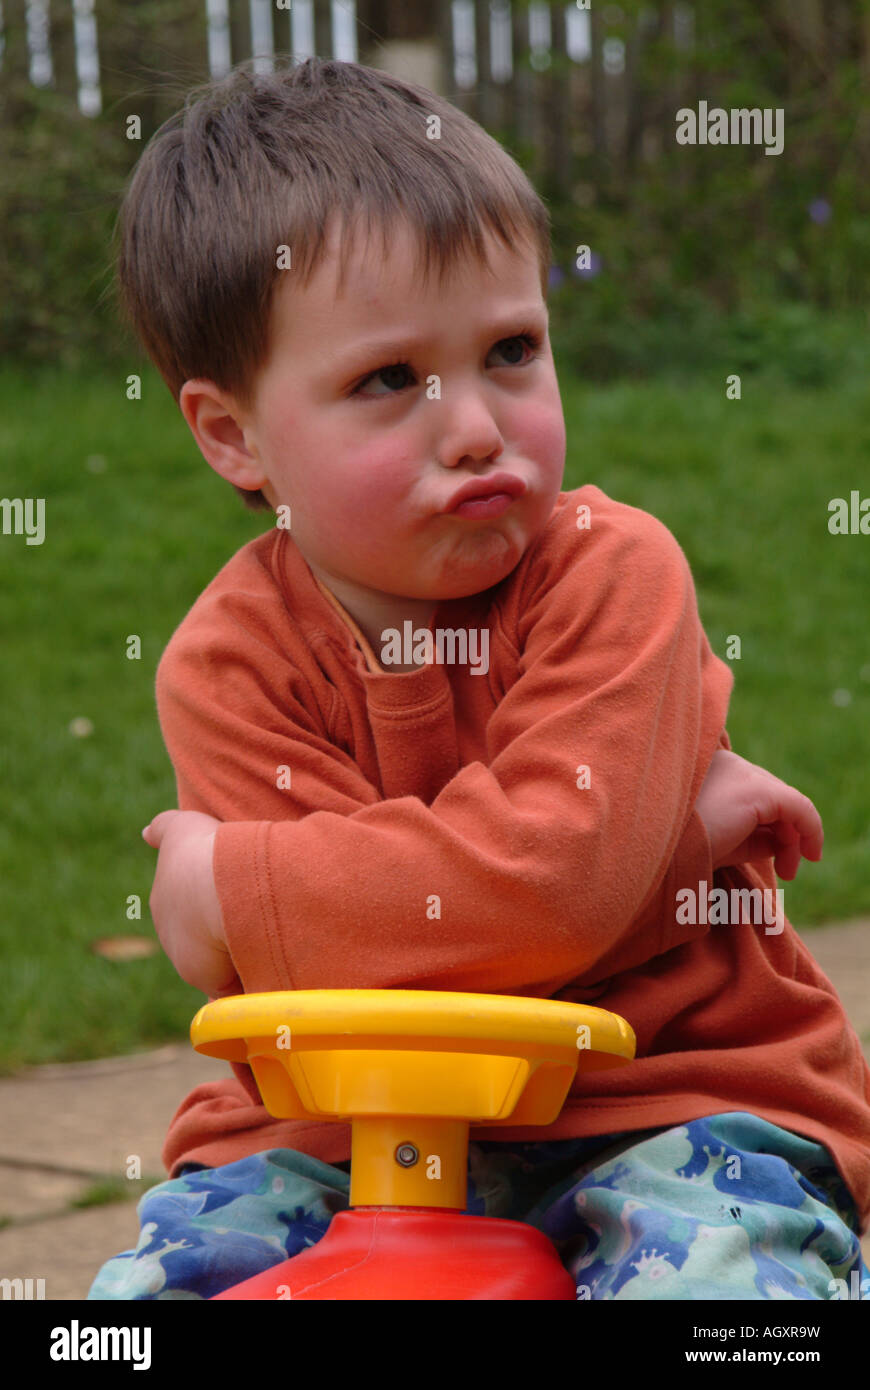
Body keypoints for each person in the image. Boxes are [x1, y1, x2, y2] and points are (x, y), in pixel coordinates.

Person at [88, 57, 870, 1300]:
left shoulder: (617, 575)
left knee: (715, 1288)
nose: (474, 425)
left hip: (668, 1101)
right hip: (337, 1137)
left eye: (512, 348)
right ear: (233, 434)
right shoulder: (229, 663)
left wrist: (231, 886)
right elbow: (355, 981)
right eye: (390, 379)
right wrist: (668, 851)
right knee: (135, 1310)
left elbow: (535, 895)